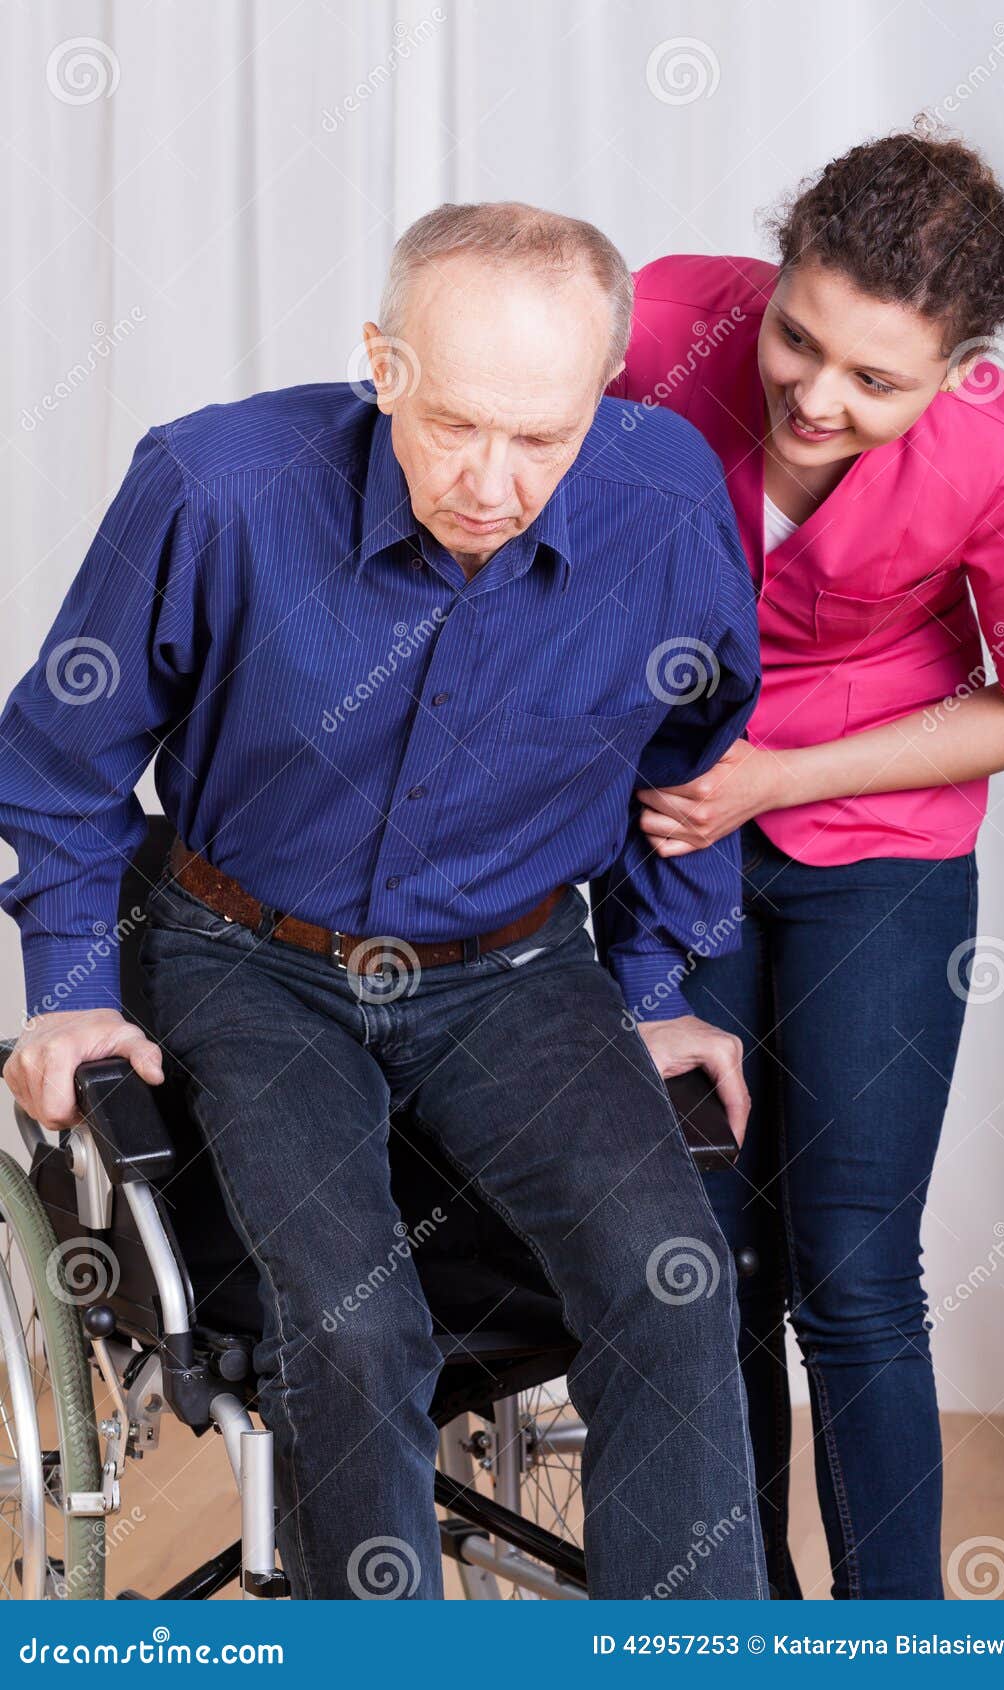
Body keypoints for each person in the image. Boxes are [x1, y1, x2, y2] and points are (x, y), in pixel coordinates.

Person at [0, 202, 770, 1600]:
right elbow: (59, 762)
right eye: (458, 424)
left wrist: (657, 987)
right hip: (250, 956)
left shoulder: (664, 504)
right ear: (382, 363)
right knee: (356, 1328)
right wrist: (69, 992)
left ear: (603, 394)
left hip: (520, 965)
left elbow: (693, 757)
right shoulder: (215, 488)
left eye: (543, 437)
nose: (493, 480)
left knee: (677, 1272)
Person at [606, 128, 1004, 1599]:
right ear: (777, 268)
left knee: (852, 1271)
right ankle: (749, 1619)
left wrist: (786, 775)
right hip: (677, 843)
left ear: (959, 363)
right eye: (800, 341)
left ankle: (896, 1639)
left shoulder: (996, 445)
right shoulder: (670, 320)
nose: (813, 397)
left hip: (879, 840)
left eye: (876, 380)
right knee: (709, 1263)